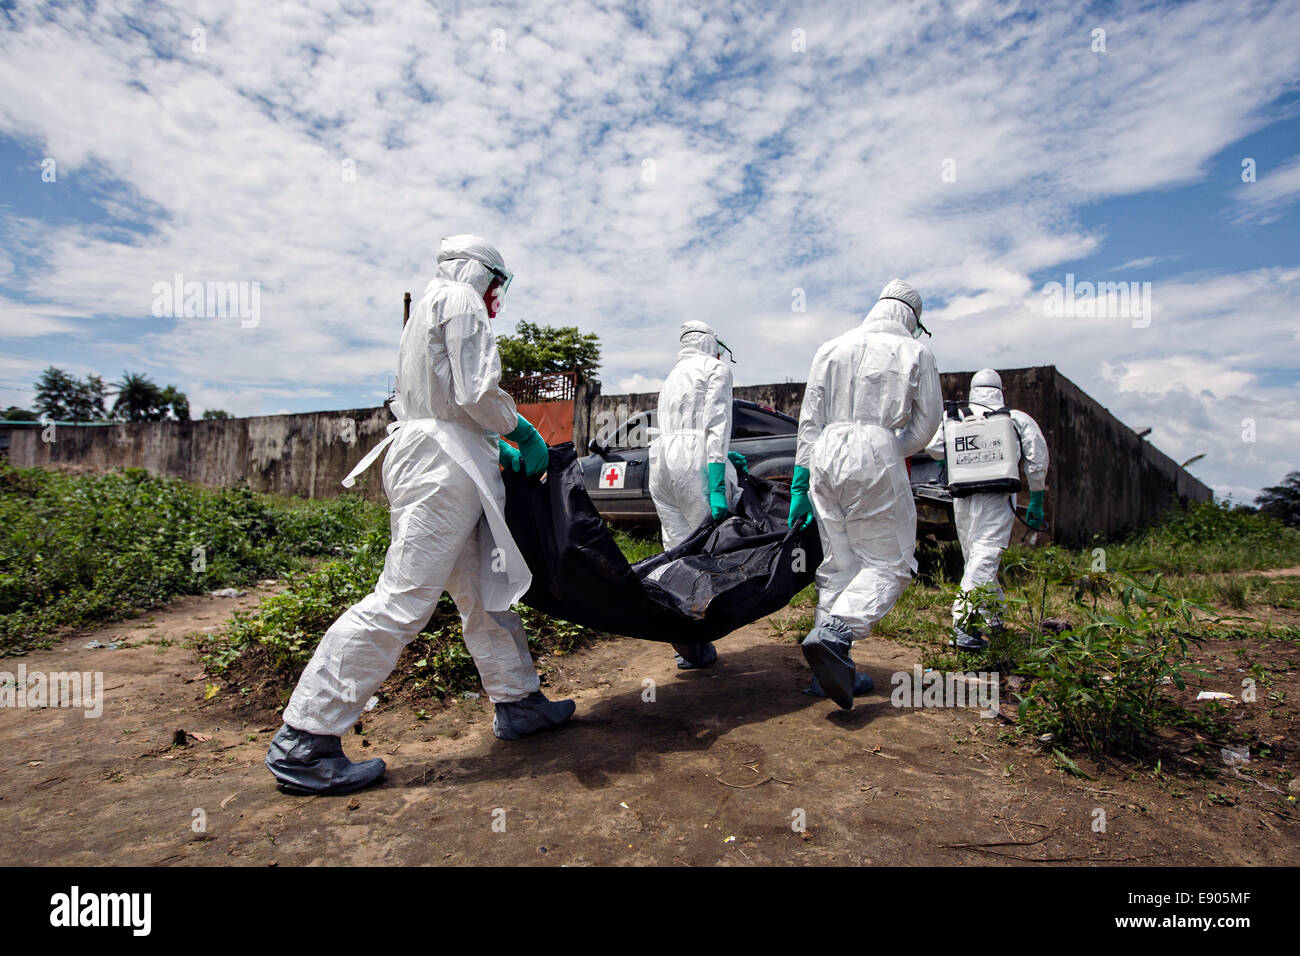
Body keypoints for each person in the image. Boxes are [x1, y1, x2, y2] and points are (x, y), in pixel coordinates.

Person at [266, 235, 574, 795]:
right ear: (486, 276)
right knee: (403, 598)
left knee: (486, 590)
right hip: (442, 467)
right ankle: (305, 739)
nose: (497, 297)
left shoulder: (427, 308)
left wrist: (487, 442)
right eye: (499, 285)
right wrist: (521, 431)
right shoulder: (460, 300)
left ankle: (519, 701)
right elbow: (477, 389)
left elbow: (446, 397)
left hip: (444, 457)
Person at [789, 279, 942, 709]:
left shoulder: (831, 347)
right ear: (912, 317)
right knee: (889, 564)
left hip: (824, 454)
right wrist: (889, 448)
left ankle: (827, 675)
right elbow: (927, 425)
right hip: (875, 449)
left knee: (839, 564)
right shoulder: (916, 351)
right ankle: (835, 634)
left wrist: (801, 481)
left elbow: (809, 419)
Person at [926, 368, 1049, 650]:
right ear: (1000, 390)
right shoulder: (1016, 418)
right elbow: (1037, 460)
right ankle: (963, 626)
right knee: (985, 556)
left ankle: (994, 620)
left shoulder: (954, 416)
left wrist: (951, 460)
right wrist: (1037, 500)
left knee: (977, 559)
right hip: (998, 496)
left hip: (963, 497)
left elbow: (933, 446)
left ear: (973, 391)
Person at [647, 319, 740, 669]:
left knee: (676, 553)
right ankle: (702, 629)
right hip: (695, 464)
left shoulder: (671, 376)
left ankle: (684, 638)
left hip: (661, 466)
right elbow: (717, 425)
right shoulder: (715, 369)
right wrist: (718, 479)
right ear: (710, 343)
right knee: (708, 554)